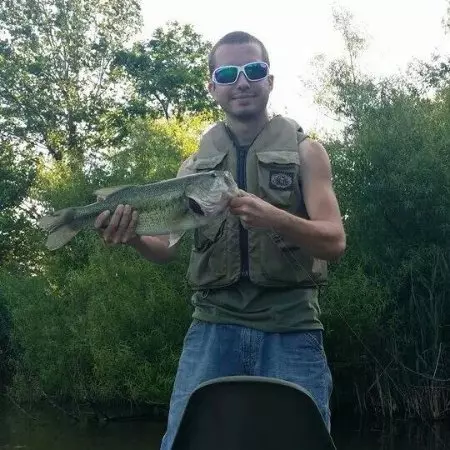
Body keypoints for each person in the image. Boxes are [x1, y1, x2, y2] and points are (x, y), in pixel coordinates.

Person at [94, 31, 346, 449]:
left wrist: (275, 218)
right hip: (212, 326)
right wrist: (131, 236)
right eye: (228, 73)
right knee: (183, 442)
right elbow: (163, 249)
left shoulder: (308, 152)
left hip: (292, 326)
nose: (242, 82)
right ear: (212, 86)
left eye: (254, 70)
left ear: (270, 80)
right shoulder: (192, 165)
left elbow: (334, 242)